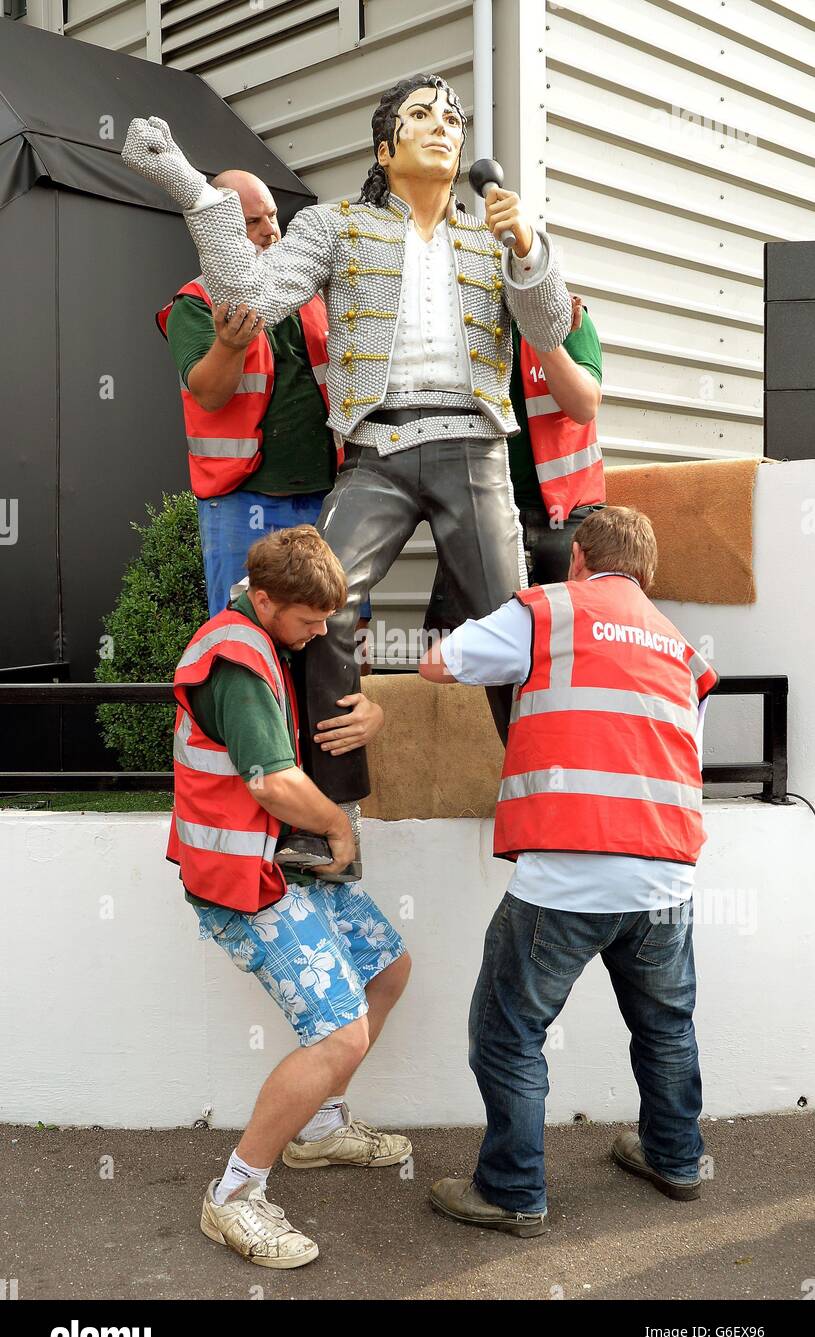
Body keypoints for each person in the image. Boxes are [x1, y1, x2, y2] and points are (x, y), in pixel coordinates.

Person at [122, 74, 575, 879]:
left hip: (473, 445)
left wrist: (528, 250)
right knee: (316, 606)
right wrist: (193, 190)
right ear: (383, 146)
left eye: (453, 118)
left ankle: (544, 797)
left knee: (512, 625)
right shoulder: (335, 227)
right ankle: (330, 815)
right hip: (377, 449)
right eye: (421, 116)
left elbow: (548, 328)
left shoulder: (490, 236)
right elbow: (252, 293)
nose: (443, 127)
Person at [418, 507, 718, 1235]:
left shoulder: (547, 609)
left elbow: (441, 662)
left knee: (508, 1032)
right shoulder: (681, 649)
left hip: (566, 875)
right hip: (663, 880)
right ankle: (676, 1161)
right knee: (666, 1028)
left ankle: (513, 1192)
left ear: (578, 557)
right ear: (645, 572)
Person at [167, 524, 411, 1268]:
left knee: (386, 969)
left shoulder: (275, 636)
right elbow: (270, 780)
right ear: (264, 599)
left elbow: (322, 718)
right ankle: (234, 1195)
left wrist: (372, 709)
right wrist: (337, 824)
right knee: (340, 1033)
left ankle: (320, 1128)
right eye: (308, 621)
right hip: (248, 880)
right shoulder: (235, 659)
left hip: (285, 865)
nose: (318, 634)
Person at [157, 169, 374, 623]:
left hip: (326, 494)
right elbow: (210, 395)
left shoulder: (311, 294)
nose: (271, 232)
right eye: (253, 223)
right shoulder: (194, 302)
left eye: (273, 216)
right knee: (242, 628)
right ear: (222, 231)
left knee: (338, 627)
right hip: (242, 497)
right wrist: (230, 345)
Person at [423, 293, 604, 634]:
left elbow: (584, 406)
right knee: (445, 635)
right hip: (485, 514)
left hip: (565, 515)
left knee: (569, 636)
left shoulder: (564, 316)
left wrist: (544, 334)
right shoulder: (464, 326)